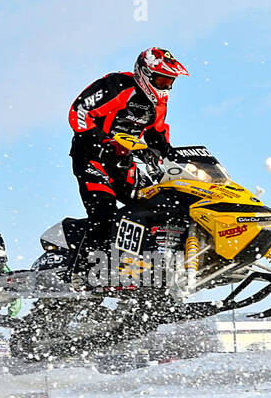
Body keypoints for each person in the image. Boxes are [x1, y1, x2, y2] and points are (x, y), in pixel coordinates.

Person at [65, 48, 189, 269]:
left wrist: (167, 155)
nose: (166, 86)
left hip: (123, 164)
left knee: (156, 206)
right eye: (161, 79)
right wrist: (103, 142)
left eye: (170, 81)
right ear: (145, 74)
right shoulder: (117, 86)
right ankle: (81, 270)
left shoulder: (158, 104)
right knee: (103, 211)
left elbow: (156, 134)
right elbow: (80, 111)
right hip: (92, 159)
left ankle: (146, 267)